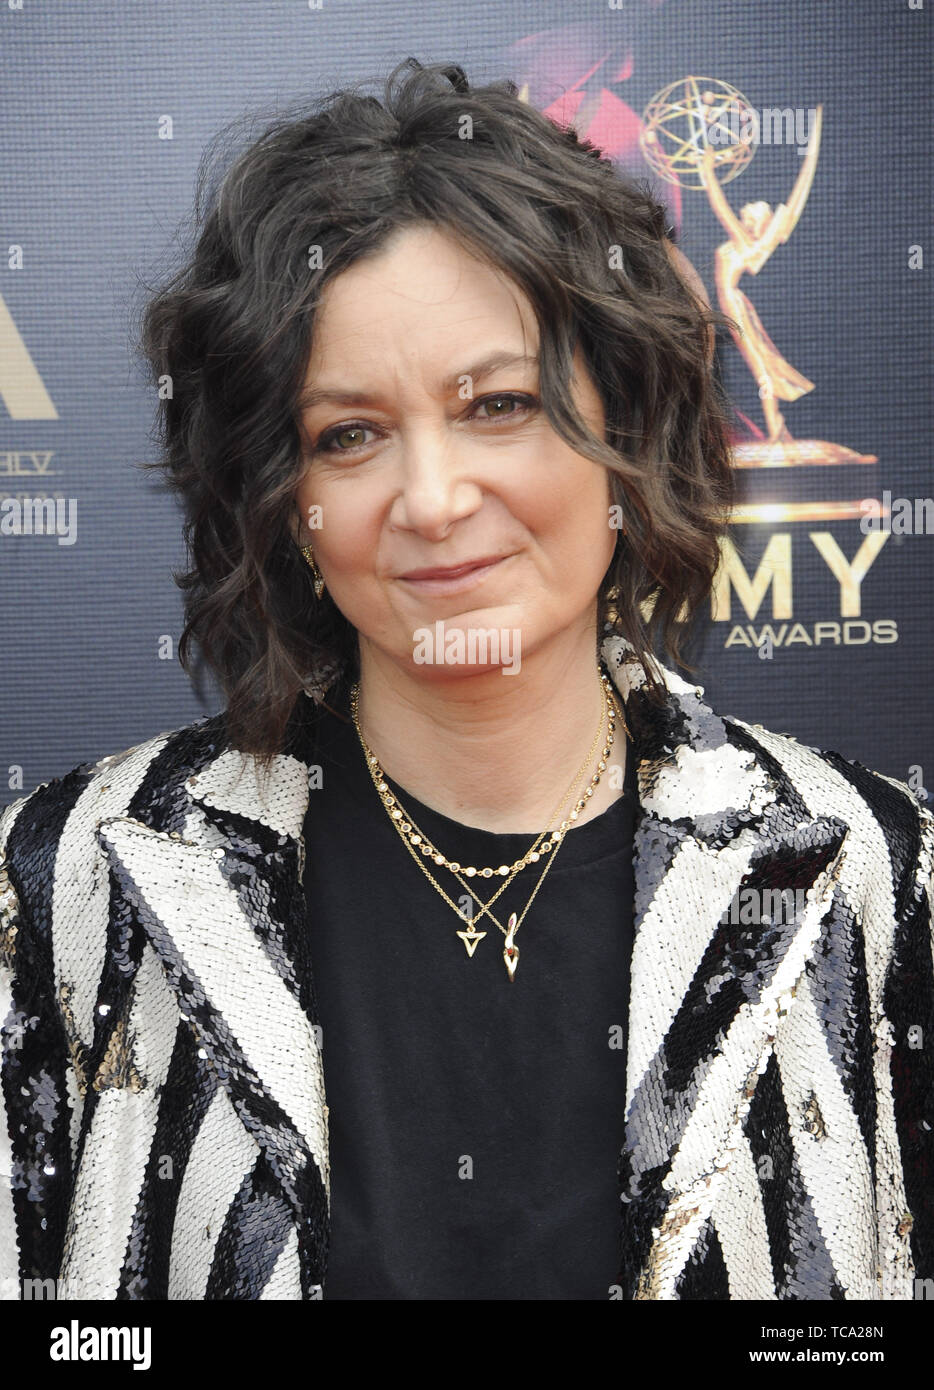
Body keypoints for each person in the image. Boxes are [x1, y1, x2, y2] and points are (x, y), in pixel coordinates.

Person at [1, 58, 932, 1303]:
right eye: (350, 434)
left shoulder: (862, 872)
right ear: (287, 507)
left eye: (497, 404)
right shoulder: (66, 884)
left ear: (629, 434)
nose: (433, 502)